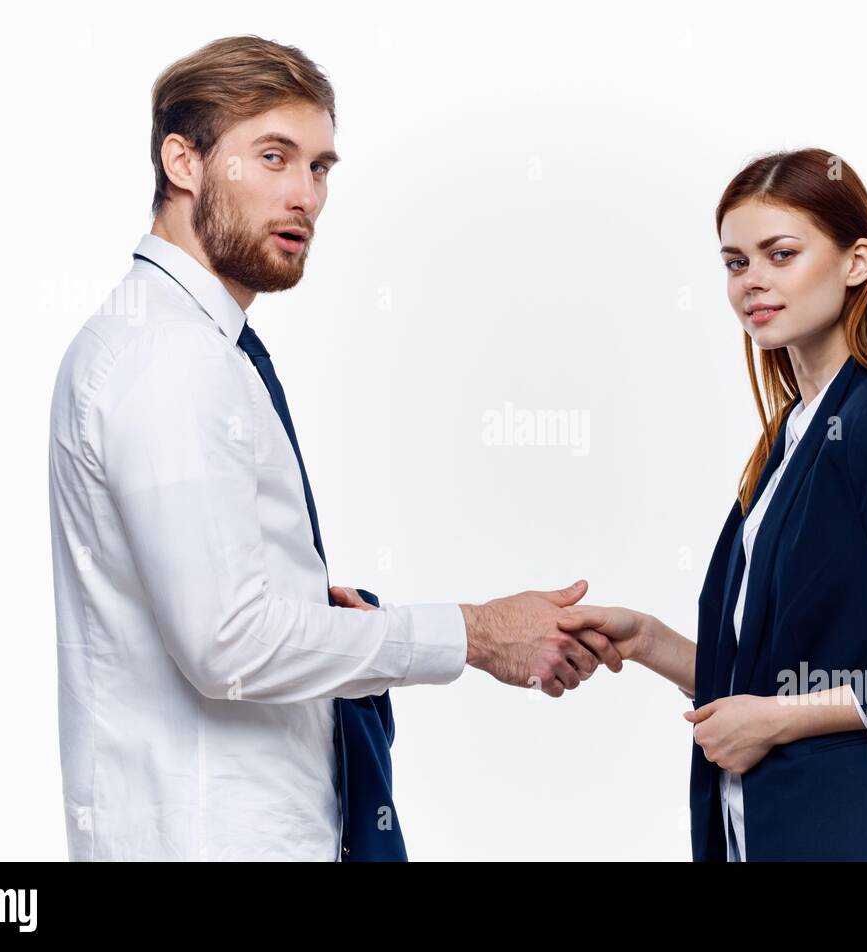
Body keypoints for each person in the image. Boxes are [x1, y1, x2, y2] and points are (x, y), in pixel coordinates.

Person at [47, 35, 617, 862]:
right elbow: (227, 645)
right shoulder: (170, 358)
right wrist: (477, 634)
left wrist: (304, 600)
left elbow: (207, 607)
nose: (304, 196)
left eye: (319, 168)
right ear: (184, 161)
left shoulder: (184, 344)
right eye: (272, 157)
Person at [560, 148, 867, 861]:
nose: (753, 282)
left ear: (857, 261)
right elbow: (783, 680)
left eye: (780, 254)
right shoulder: (790, 439)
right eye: (734, 262)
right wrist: (648, 640)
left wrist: (781, 721)